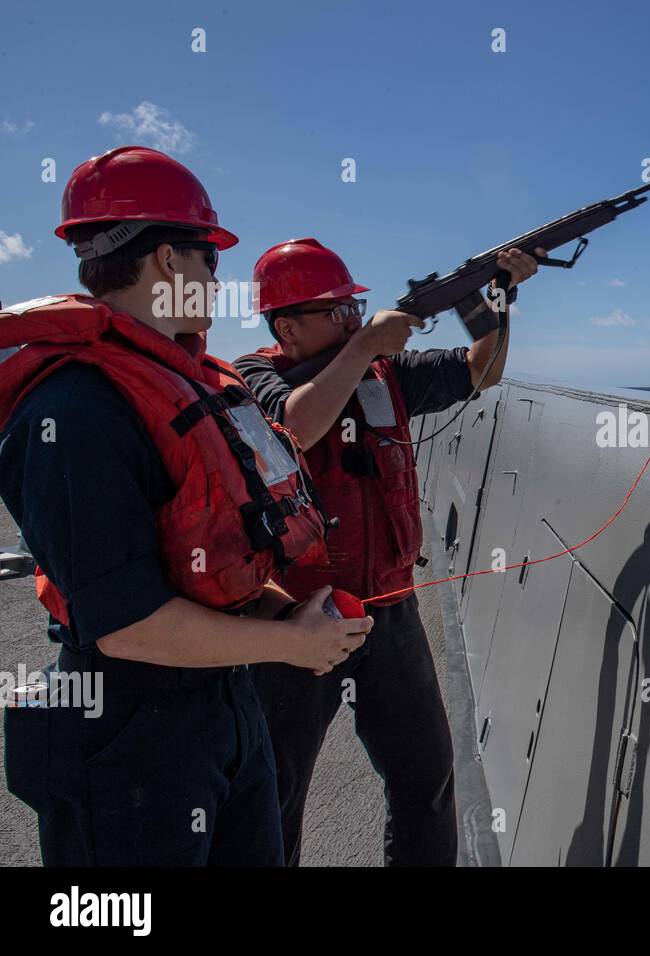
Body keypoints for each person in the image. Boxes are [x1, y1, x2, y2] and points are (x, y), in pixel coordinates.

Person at [0, 147, 374, 866]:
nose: (213, 280)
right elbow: (127, 625)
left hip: (221, 708)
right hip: (126, 734)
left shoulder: (194, 382)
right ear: (169, 261)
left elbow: (208, 546)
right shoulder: (77, 408)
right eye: (209, 261)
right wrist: (291, 646)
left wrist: (275, 610)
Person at [235, 236, 540, 865]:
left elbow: (483, 369)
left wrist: (488, 301)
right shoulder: (251, 376)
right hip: (297, 618)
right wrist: (364, 344)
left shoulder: (386, 376)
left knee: (426, 779)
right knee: (276, 793)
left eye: (355, 308)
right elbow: (295, 427)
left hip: (391, 610)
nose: (352, 318)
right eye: (336, 311)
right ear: (285, 326)